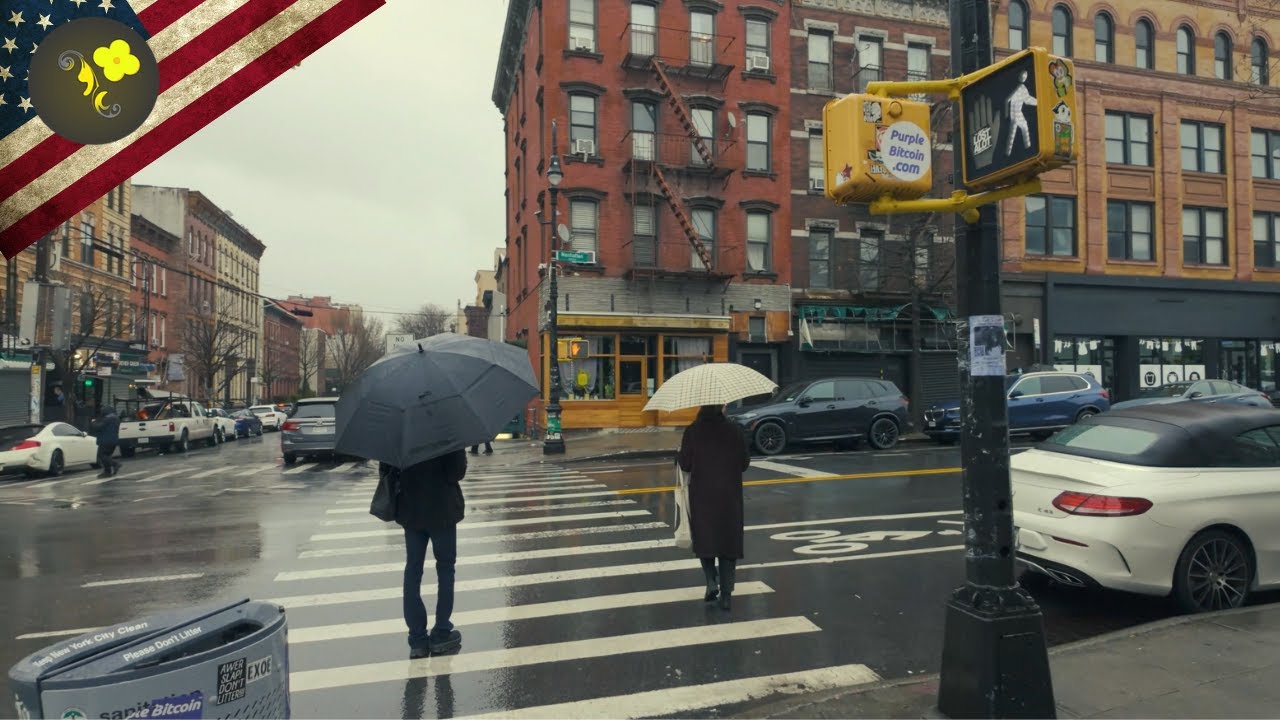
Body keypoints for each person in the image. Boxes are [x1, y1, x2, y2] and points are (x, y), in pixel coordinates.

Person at [389, 449, 468, 658]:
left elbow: (387, 470)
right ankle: (442, 632)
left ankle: (417, 639)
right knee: (445, 570)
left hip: (411, 510)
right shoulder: (447, 431)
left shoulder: (400, 432)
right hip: (443, 510)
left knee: (413, 570)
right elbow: (457, 472)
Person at [677, 404, 751, 611]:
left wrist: (681, 454)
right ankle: (726, 595)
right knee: (728, 544)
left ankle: (711, 582)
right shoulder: (734, 430)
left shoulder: (693, 430)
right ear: (721, 407)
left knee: (705, 539)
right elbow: (744, 463)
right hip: (729, 496)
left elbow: (685, 464)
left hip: (702, 495)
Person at [90, 405, 122, 478]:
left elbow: (98, 427)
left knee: (101, 455)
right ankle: (107, 472)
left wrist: (93, 422)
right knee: (107, 456)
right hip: (113, 440)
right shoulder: (116, 418)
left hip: (105, 441)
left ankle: (115, 464)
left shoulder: (107, 419)